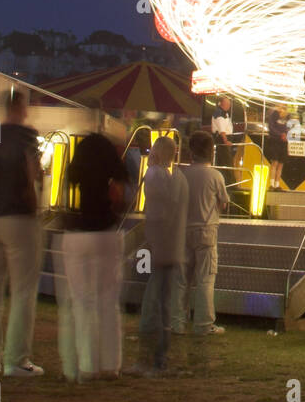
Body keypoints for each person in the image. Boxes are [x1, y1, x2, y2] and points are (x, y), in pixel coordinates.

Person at [0, 91, 45, 377]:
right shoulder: (27, 137)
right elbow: (31, 171)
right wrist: (35, 206)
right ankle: (17, 360)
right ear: (21, 107)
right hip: (19, 217)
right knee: (23, 291)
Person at [59, 131, 130, 382]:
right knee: (108, 302)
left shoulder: (74, 175)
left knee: (82, 302)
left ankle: (87, 365)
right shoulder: (114, 174)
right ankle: (111, 365)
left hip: (77, 234)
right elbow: (120, 199)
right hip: (106, 234)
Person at [130, 136, 187, 375]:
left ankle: (152, 358)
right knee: (163, 301)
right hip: (171, 245)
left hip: (160, 244)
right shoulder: (178, 179)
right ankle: (159, 357)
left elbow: (156, 210)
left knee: (154, 301)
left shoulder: (156, 175)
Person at [175, 131, 228, 336]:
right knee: (206, 279)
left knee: (181, 280)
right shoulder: (215, 175)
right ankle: (203, 324)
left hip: (182, 231)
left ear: (191, 151)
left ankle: (177, 322)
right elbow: (223, 202)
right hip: (206, 231)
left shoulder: (181, 174)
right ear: (211, 151)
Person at [264, 105, 288, 190]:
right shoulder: (274, 114)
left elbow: (288, 127)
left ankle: (277, 184)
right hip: (275, 140)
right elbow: (271, 127)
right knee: (274, 162)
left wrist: (286, 135)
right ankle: (272, 184)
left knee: (281, 164)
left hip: (283, 142)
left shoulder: (287, 116)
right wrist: (280, 134)